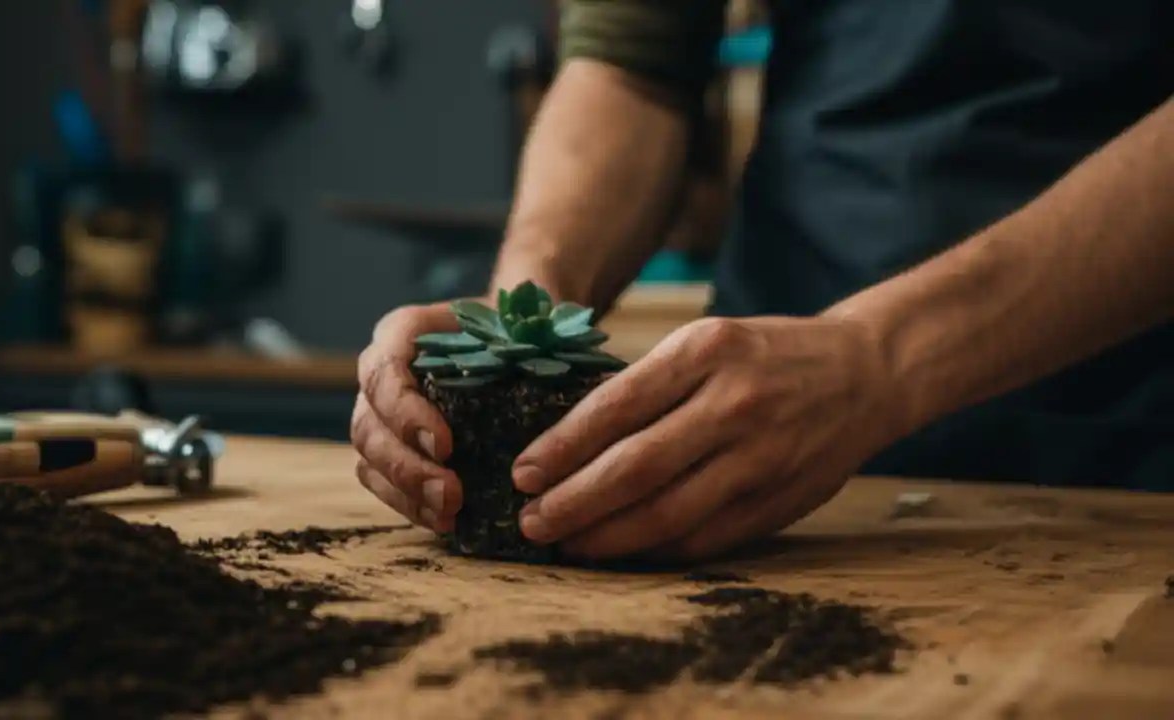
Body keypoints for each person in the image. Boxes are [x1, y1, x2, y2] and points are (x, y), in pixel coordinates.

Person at [350, 1, 1174, 561]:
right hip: (754, 438)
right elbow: (635, 64)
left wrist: (878, 359)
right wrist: (518, 315)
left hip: (1119, 430)